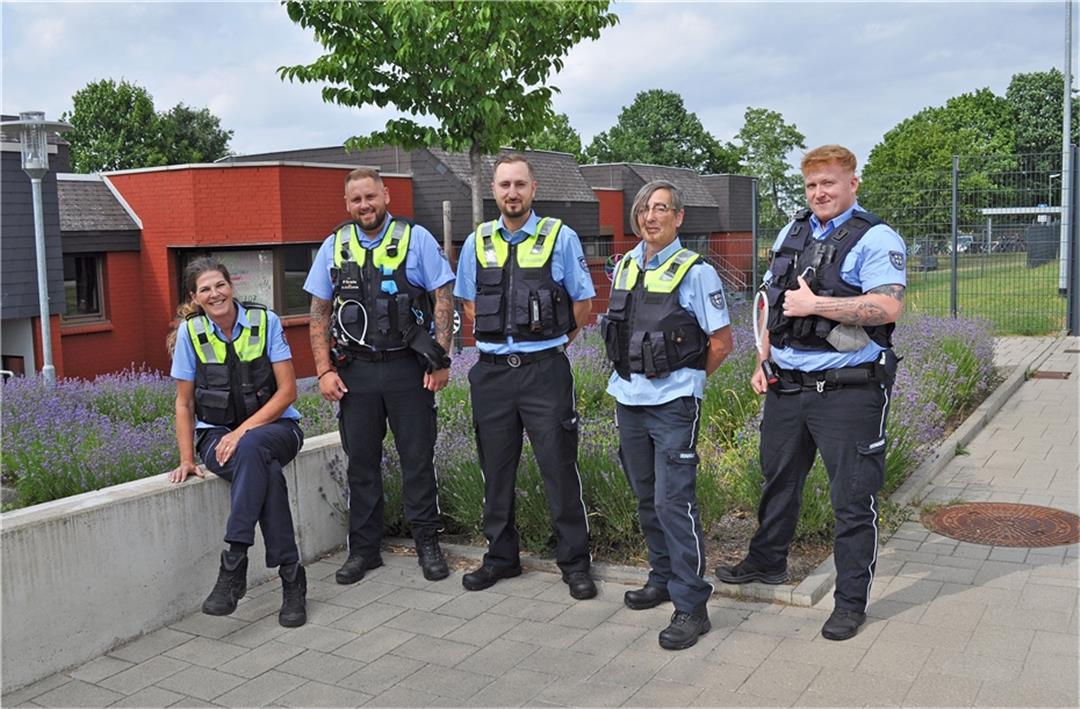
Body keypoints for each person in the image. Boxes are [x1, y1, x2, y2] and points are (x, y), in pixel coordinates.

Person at [716, 145, 906, 642]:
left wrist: (814, 303)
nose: (819, 192)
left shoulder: (875, 237)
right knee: (777, 480)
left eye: (829, 183)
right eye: (811, 185)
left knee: (852, 499)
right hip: (787, 385)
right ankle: (767, 562)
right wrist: (763, 357)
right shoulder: (792, 231)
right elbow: (767, 300)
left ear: (852, 184)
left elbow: (887, 308)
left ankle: (849, 603)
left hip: (849, 392)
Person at [454, 153, 597, 599]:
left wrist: (549, 346)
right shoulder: (476, 241)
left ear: (533, 189)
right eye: (503, 185)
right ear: (492, 192)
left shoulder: (561, 237)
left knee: (559, 468)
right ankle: (501, 557)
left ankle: (574, 563)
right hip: (492, 375)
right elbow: (470, 305)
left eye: (519, 184)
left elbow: (582, 305)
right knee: (495, 473)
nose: (511, 193)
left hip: (544, 374)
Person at [304, 167, 455, 585]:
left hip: (409, 368)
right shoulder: (335, 245)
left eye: (370, 197)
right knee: (361, 466)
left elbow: (443, 296)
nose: (364, 206)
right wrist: (323, 370)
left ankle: (427, 543)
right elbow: (318, 311)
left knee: (418, 462)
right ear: (347, 204)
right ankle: (364, 551)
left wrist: (441, 361)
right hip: (357, 373)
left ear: (386, 195)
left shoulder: (415, 238)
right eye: (356, 200)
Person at [602, 180, 734, 650]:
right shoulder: (624, 266)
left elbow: (721, 342)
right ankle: (661, 577)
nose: (650, 216)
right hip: (629, 402)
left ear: (678, 218)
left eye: (661, 209)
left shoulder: (696, 271)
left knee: (673, 503)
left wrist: (690, 386)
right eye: (644, 209)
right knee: (645, 496)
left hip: (673, 406)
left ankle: (692, 605)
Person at [167, 258, 307, 628]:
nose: (215, 294)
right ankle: (292, 579)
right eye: (205, 289)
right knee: (264, 470)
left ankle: (234, 563)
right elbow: (184, 403)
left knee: (252, 447)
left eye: (220, 285)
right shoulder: (190, 333)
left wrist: (241, 431)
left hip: (277, 430)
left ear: (232, 286)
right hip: (215, 436)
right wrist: (186, 457)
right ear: (194, 298)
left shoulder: (266, 322)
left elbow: (287, 392)